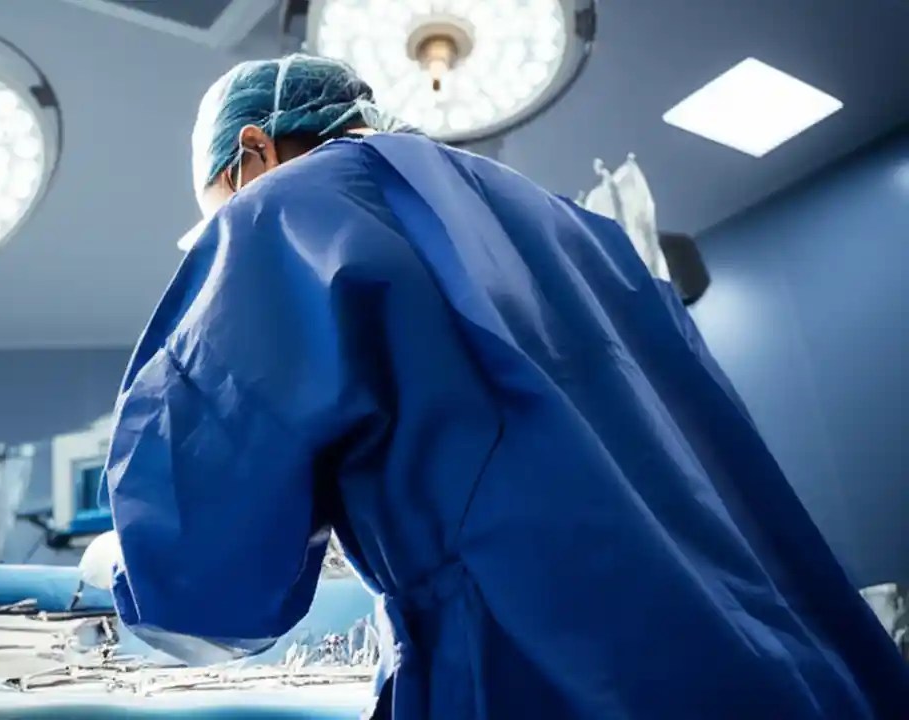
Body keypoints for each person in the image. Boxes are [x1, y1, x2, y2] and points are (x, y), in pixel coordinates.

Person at [94, 54, 909, 718]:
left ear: (254, 153)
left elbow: (203, 578)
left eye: (219, 203)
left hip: (539, 664)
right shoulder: (573, 226)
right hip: (776, 655)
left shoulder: (278, 213)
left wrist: (119, 566)